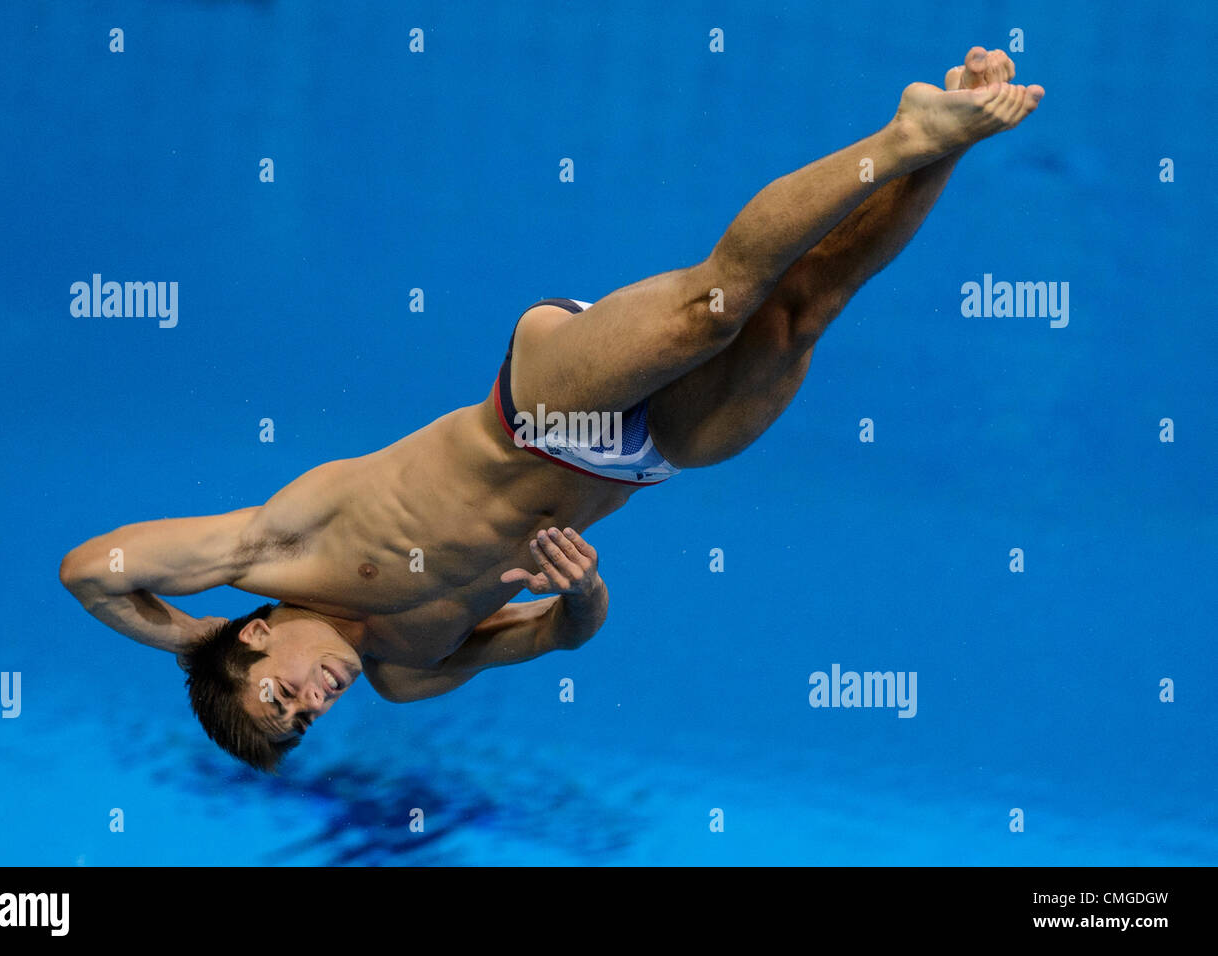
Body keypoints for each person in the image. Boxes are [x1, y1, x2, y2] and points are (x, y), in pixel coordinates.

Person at [60, 48, 1043, 771]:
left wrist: (188, 638)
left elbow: (88, 572)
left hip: (537, 406)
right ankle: (948, 134)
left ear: (255, 634)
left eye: (278, 694)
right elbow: (563, 637)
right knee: (800, 316)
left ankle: (901, 134)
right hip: (634, 463)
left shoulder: (272, 550)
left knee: (715, 308)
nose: (310, 702)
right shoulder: (412, 668)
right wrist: (579, 593)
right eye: (301, 721)